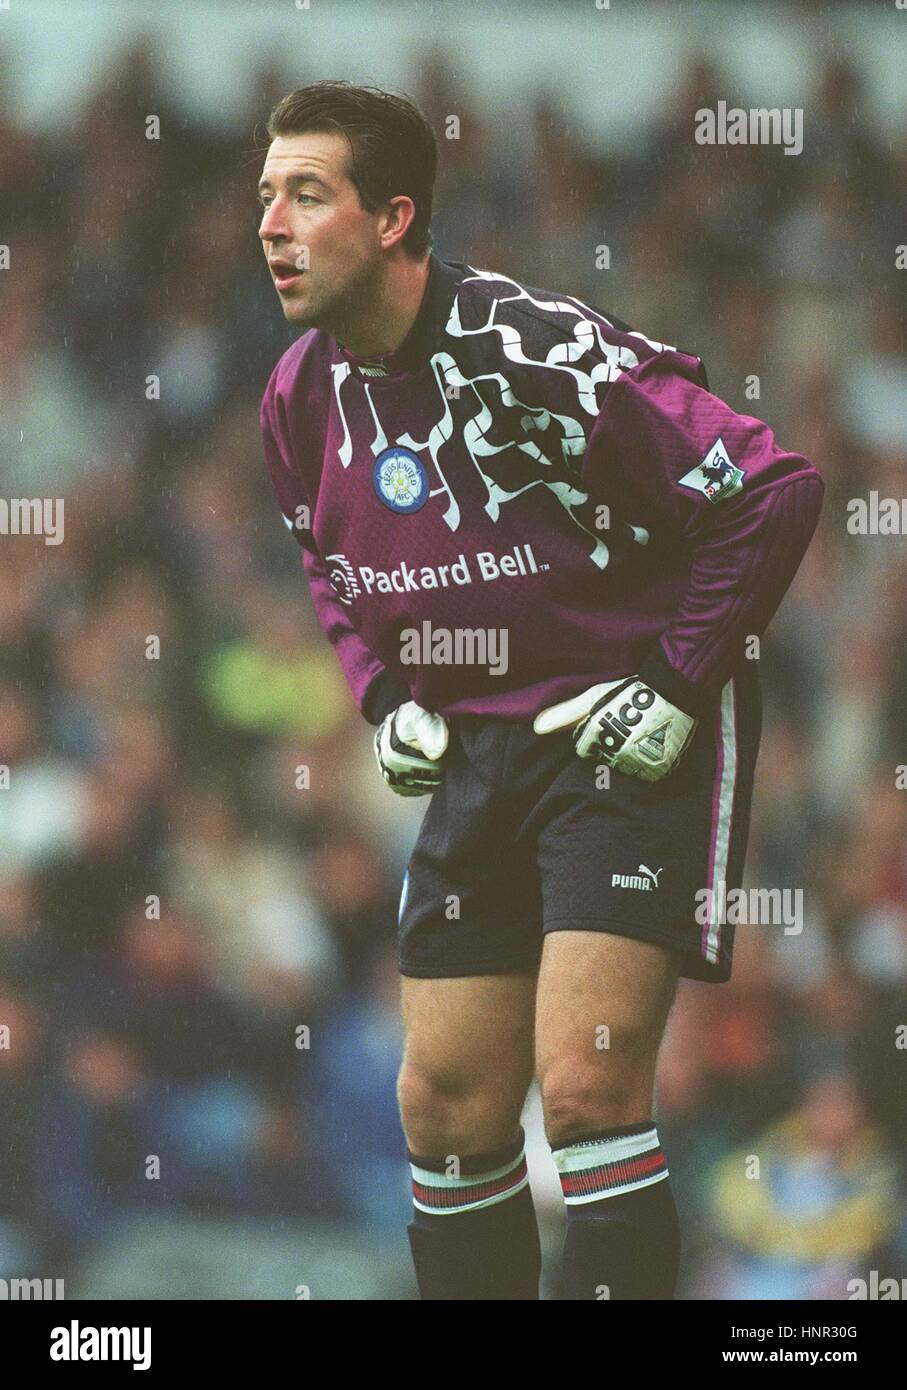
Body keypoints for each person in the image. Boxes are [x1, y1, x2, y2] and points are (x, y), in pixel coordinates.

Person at [257, 79, 824, 1300]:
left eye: (307, 193)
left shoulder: (534, 347)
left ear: (395, 218)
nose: (271, 223)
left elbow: (771, 488)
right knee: (447, 1108)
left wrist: (675, 682)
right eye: (267, 195)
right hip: (478, 744)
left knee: (584, 1085)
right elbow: (323, 549)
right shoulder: (298, 397)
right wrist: (377, 693)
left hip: (624, 733)